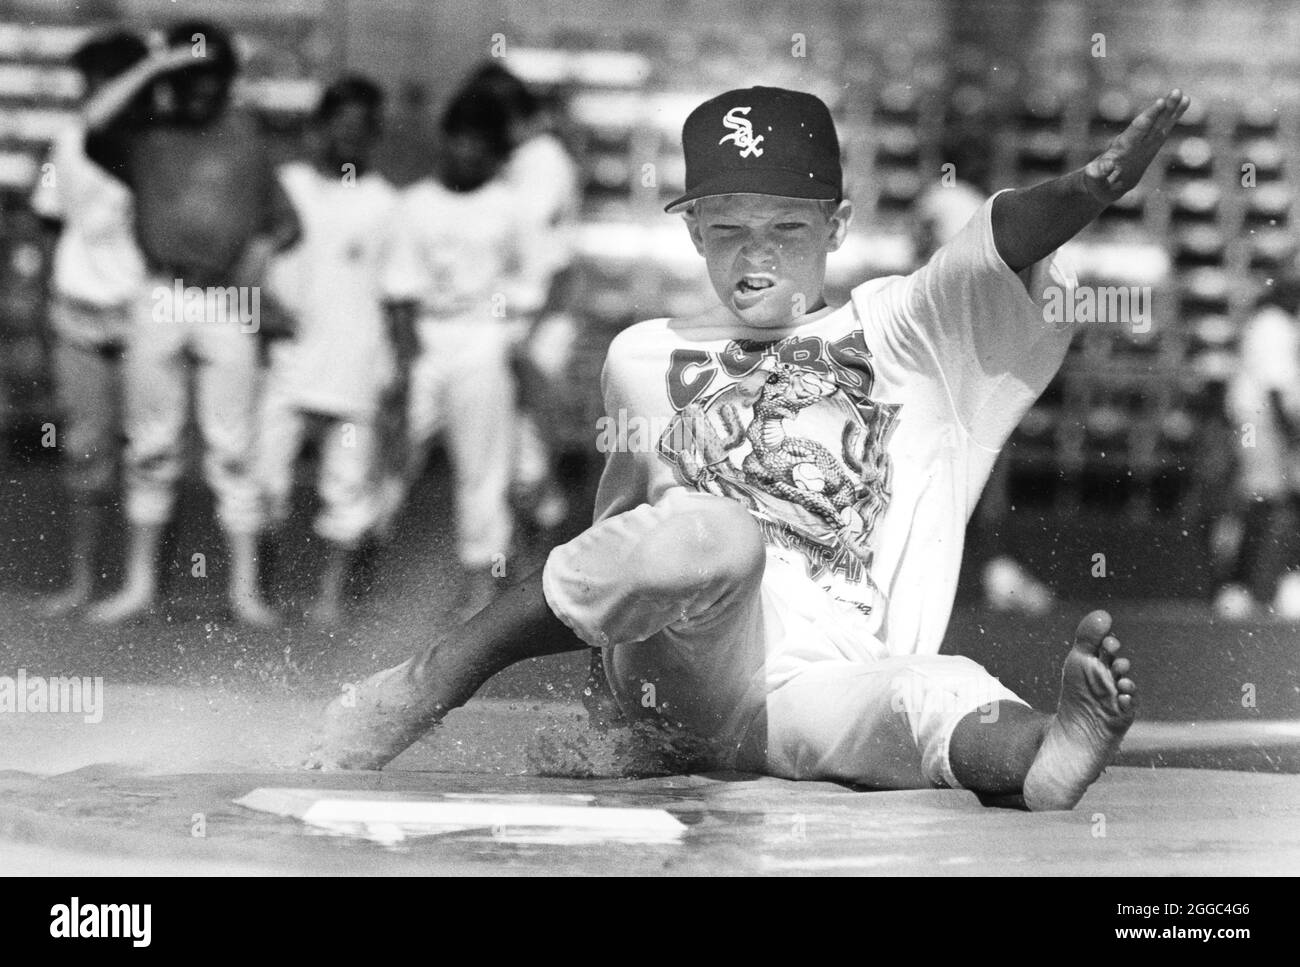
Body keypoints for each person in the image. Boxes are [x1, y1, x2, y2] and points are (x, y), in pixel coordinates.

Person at [309, 85, 1190, 812]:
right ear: (693, 232)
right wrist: (611, 714)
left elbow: (999, 242)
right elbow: (615, 550)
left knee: (933, 685)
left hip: (819, 691)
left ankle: (1046, 749)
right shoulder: (641, 356)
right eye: (727, 228)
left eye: (787, 230)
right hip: (688, 663)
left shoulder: (905, 329)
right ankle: (426, 681)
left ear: (839, 225)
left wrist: (1091, 188)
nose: (755, 257)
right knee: (713, 533)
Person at [81, 20, 299, 626]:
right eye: (192, 76)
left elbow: (284, 221)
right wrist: (155, 65)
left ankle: (245, 593)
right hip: (159, 292)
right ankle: (139, 585)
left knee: (233, 448)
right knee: (151, 445)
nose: (203, 87)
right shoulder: (144, 135)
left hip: (226, 300)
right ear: (175, 79)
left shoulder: (246, 138)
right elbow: (93, 121)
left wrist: (256, 257)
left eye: (213, 75)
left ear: (228, 80)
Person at [377, 74, 530, 617]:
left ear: (493, 152)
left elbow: (532, 280)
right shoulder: (413, 203)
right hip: (423, 337)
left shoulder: (509, 205)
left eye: (479, 142)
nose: (467, 151)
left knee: (482, 466)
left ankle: (481, 585)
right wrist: (403, 359)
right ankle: (357, 564)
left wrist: (511, 341)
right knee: (391, 454)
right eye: (458, 138)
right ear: (445, 140)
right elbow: (396, 288)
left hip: (483, 338)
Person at [257, 76, 398, 626]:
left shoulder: (388, 203)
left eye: (360, 132)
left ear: (373, 136)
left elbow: (397, 294)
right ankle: (259, 595)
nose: (348, 142)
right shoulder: (284, 184)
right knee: (263, 479)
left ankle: (330, 601)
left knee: (348, 487)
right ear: (318, 128)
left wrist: (396, 370)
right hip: (284, 359)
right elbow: (251, 257)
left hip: (357, 364)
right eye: (338, 128)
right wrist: (260, 311)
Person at [29, 29, 150, 616]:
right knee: (83, 450)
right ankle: (82, 581)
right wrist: (42, 301)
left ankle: (139, 584)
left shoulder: (156, 144)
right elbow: (49, 222)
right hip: (77, 311)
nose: (92, 92)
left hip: (142, 313)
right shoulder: (66, 142)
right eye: (89, 82)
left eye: (103, 79)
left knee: (149, 452)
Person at [913, 136, 1054, 617]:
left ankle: (960, 573)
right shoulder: (979, 207)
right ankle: (991, 569)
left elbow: (919, 261)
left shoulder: (940, 200)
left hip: (935, 344)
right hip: (972, 347)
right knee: (983, 461)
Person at [466, 62, 582, 533]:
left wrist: (528, 335)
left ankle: (540, 568)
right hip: (513, 317)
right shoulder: (518, 160)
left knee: (527, 454)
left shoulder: (543, 161)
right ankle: (518, 563)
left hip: (539, 318)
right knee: (506, 449)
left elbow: (549, 259)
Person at [1214, 277, 1300, 620]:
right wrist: (1293, 438)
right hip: (1262, 423)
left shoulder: (1282, 321)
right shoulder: (1272, 323)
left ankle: (1256, 585)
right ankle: (1240, 587)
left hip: (1268, 423)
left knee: (1272, 503)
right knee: (1265, 502)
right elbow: (1274, 389)